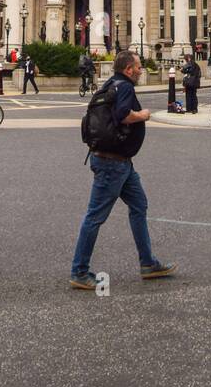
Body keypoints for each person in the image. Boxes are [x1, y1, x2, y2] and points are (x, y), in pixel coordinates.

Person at [70, 49, 176, 290]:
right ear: (129, 69)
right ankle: (79, 271)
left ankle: (148, 263)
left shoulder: (110, 83)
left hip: (121, 163)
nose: (140, 70)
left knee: (139, 205)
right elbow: (122, 115)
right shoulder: (125, 87)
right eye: (138, 67)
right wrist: (143, 115)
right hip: (112, 164)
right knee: (94, 216)